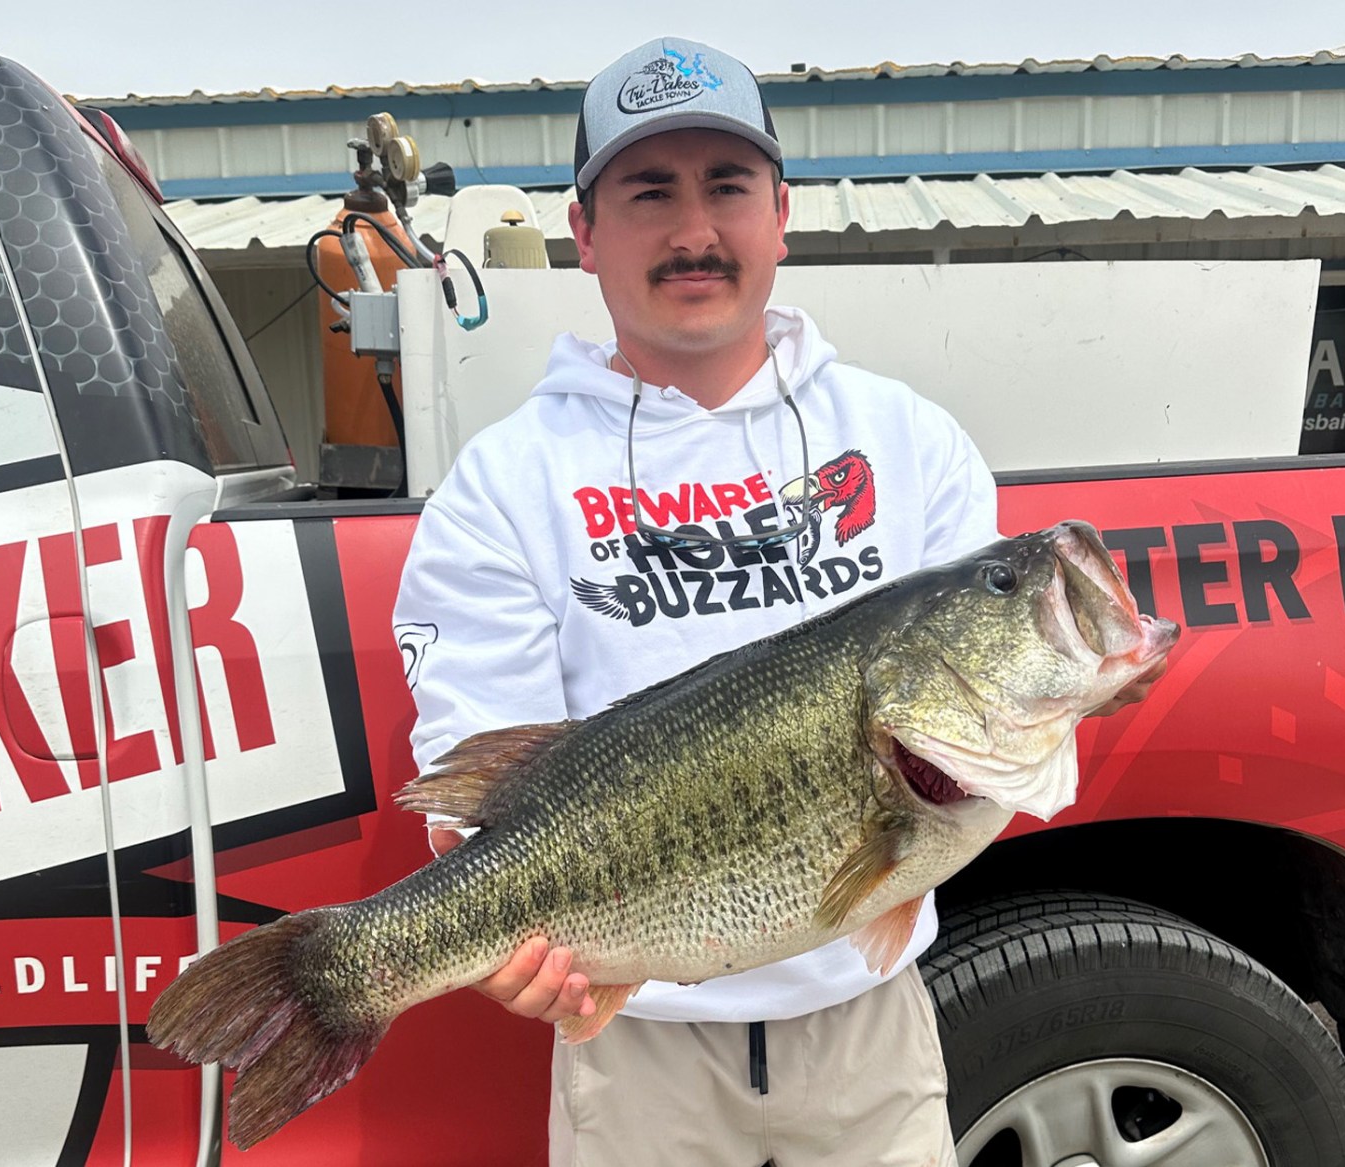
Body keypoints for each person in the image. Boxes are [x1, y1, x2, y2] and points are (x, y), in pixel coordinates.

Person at [393, 36, 1158, 1166]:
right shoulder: (501, 486)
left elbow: (985, 733)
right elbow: (474, 774)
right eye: (648, 191)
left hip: (870, 1039)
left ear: (780, 213)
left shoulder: (908, 441)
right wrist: (509, 948)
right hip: (631, 1058)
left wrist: (1075, 689)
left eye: (727, 187)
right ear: (585, 232)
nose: (693, 229)